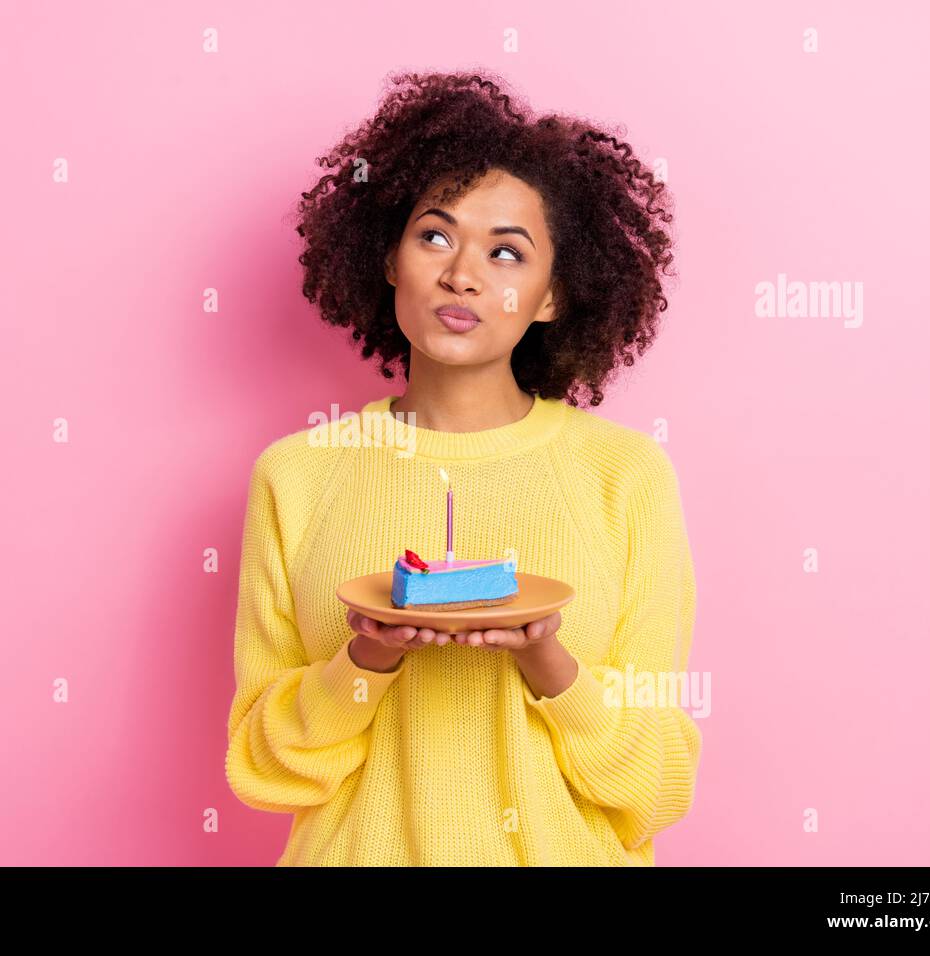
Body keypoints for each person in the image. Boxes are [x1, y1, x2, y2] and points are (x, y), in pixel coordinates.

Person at [225, 70, 701, 865]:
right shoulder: (296, 475)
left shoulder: (626, 476)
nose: (462, 275)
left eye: (507, 253)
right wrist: (367, 658)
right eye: (435, 236)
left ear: (552, 297)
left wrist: (549, 662)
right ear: (388, 259)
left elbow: (658, 785)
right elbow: (263, 770)